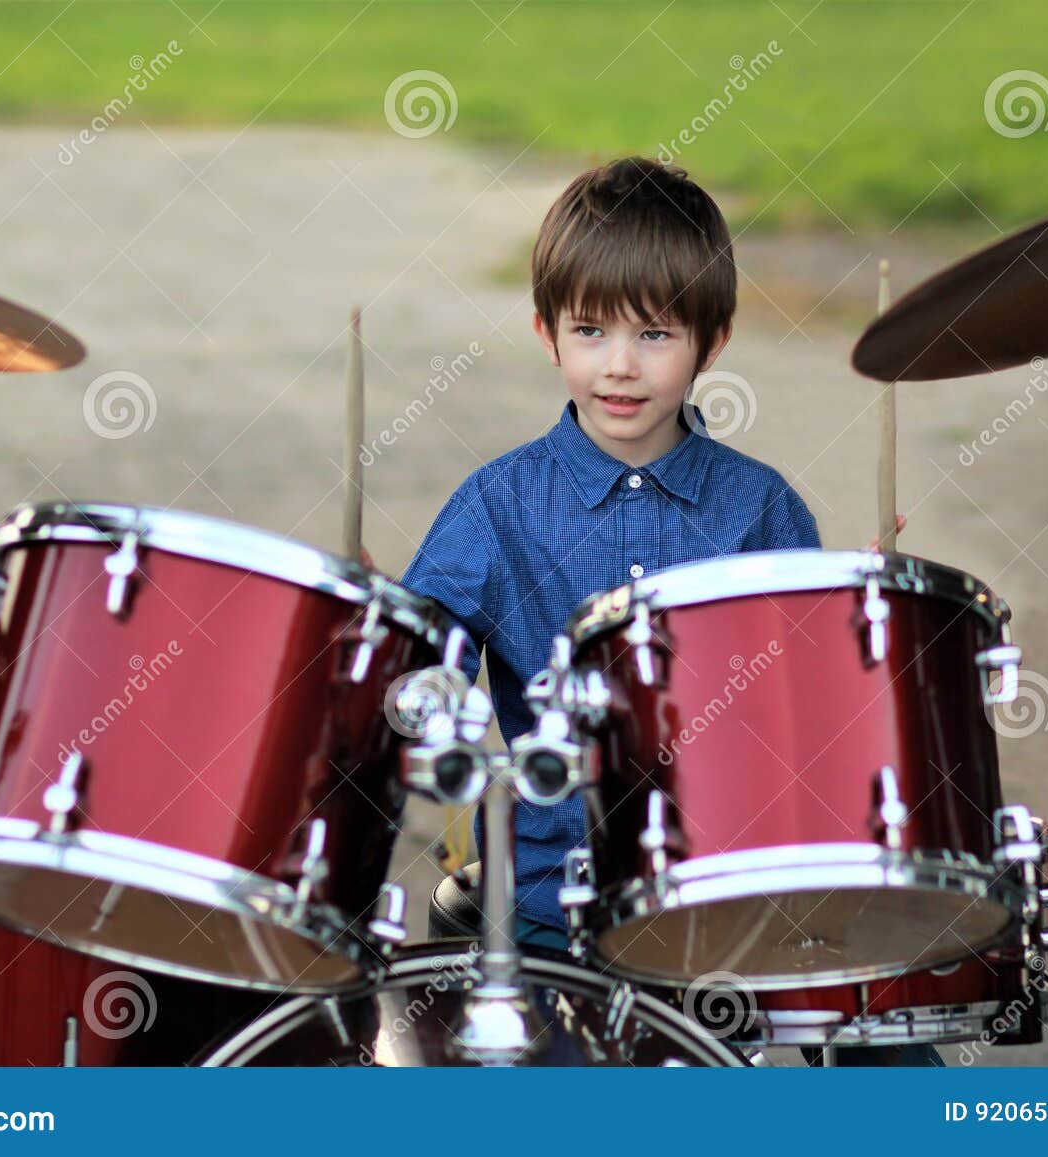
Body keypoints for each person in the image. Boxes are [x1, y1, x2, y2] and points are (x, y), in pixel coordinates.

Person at [389, 155, 937, 1065]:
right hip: (547, 907)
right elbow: (418, 668)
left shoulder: (761, 509)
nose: (619, 366)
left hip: (731, 901)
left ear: (711, 342)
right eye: (591, 330)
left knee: (893, 1042)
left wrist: (865, 625)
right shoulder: (496, 505)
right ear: (546, 332)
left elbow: (821, 713)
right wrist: (389, 635)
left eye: (655, 334)